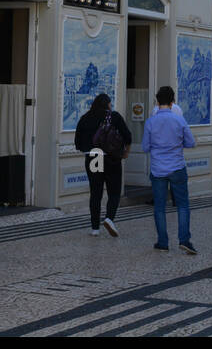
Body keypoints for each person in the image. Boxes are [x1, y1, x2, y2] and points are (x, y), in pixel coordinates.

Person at [143, 85, 196, 254]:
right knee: (182, 205)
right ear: (173, 101)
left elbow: (144, 147)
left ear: (157, 101)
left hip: (158, 169)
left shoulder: (151, 122)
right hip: (177, 167)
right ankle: (185, 240)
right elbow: (191, 142)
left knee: (159, 206)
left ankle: (163, 242)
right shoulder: (179, 120)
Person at [74, 92, 131, 237]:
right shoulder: (114, 116)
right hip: (111, 158)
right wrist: (126, 152)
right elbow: (128, 136)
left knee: (96, 192)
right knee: (114, 191)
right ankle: (109, 219)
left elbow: (78, 143)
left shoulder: (85, 118)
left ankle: (95, 228)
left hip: (94, 158)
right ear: (107, 104)